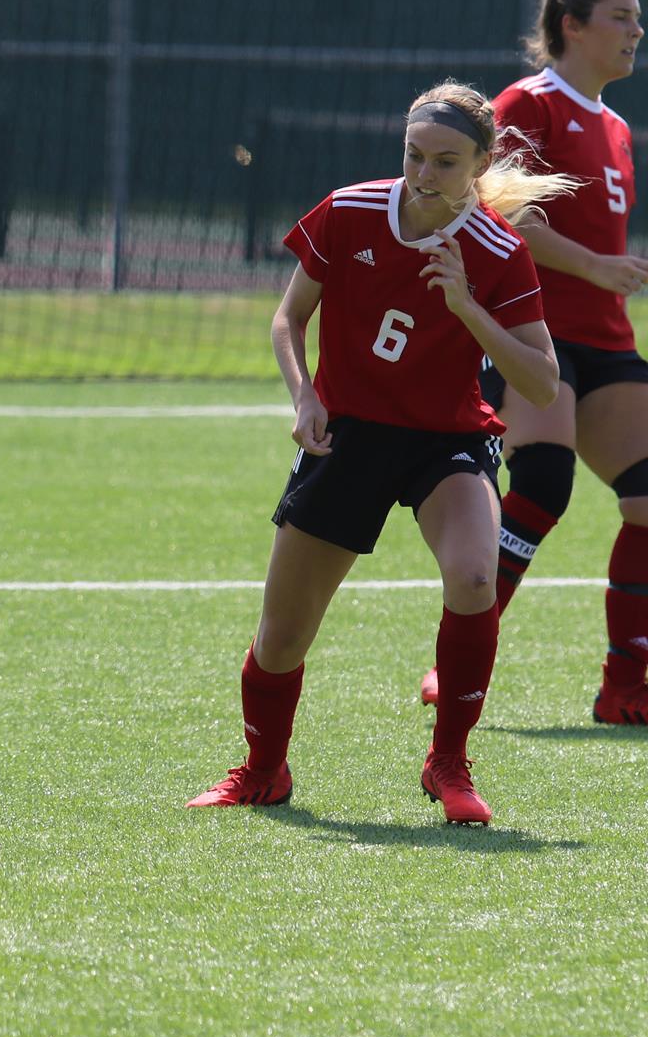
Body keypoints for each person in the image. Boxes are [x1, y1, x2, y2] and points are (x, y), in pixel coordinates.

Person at [190, 82, 575, 825]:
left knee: (473, 574)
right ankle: (264, 771)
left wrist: (469, 307)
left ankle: (448, 764)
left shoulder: (498, 251)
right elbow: (288, 318)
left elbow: (541, 377)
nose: (424, 174)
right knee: (283, 633)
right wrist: (304, 395)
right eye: (414, 155)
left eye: (445, 161)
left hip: (448, 439)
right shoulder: (352, 209)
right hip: (350, 434)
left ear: (479, 164)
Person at [417, 0, 648, 725]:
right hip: (536, 332)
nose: (635, 31)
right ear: (573, 24)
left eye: (638, 19)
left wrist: (604, 272)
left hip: (609, 341)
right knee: (542, 490)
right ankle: (458, 661)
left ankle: (625, 686)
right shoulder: (527, 106)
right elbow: (496, 208)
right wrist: (591, 263)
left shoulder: (615, 128)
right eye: (621, 16)